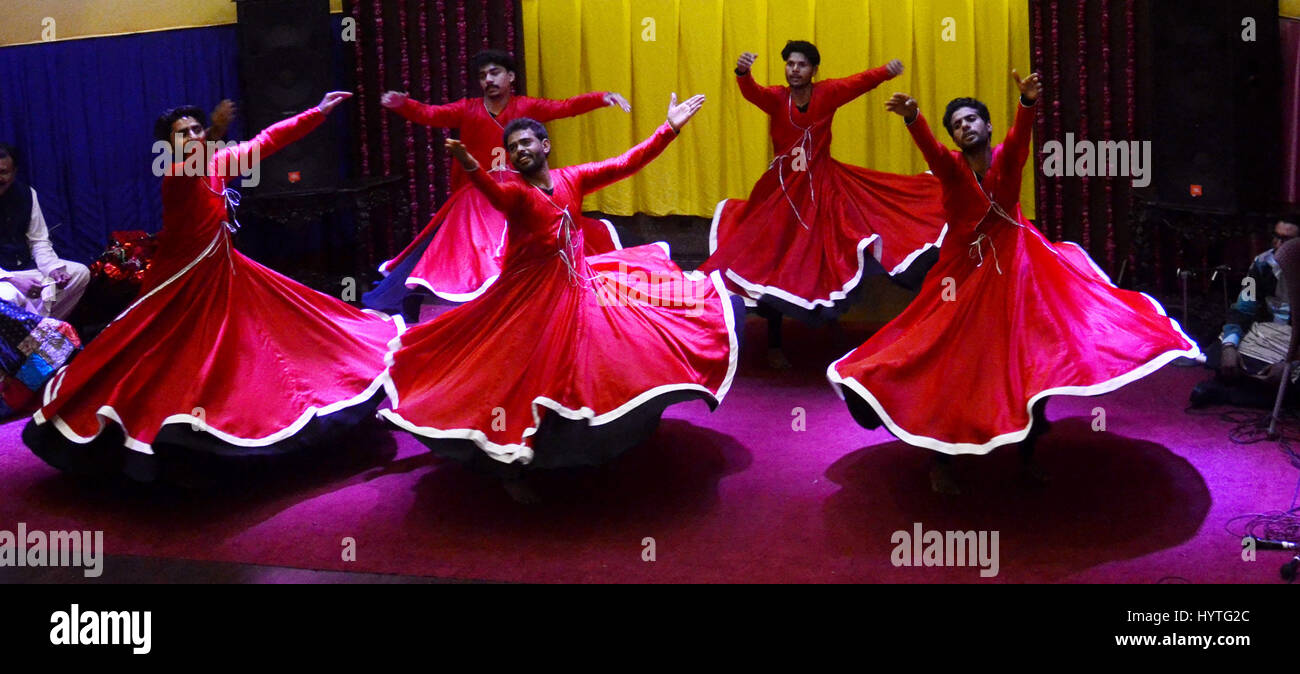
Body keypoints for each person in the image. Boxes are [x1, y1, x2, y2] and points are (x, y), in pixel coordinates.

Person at [826, 70, 1200, 494]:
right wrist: (915, 119)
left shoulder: (1006, 159)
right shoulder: (950, 168)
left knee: (1033, 364)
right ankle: (942, 459)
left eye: (972, 120)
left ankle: (1027, 453)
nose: (966, 127)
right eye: (958, 125)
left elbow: (1021, 141)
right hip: (963, 281)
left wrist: (1027, 104)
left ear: (987, 127)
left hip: (1019, 274)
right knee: (952, 365)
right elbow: (930, 151)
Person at [23, 92, 405, 483]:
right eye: (181, 132)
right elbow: (193, 163)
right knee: (164, 357)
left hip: (225, 273)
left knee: (257, 347)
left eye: (195, 129)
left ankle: (248, 419)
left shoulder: (219, 162)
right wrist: (216, 130)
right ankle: (162, 433)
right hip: (180, 283)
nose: (190, 135)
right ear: (167, 145)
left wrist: (316, 113)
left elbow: (266, 141)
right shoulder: (175, 173)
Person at [380, 94, 738, 503]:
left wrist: (669, 128)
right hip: (525, 297)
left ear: (544, 146)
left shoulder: (575, 178)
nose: (518, 151)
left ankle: (593, 439)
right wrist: (471, 165)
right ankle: (506, 461)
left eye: (526, 143)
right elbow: (494, 197)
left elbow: (628, 162)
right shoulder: (513, 191)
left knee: (613, 350)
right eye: (513, 147)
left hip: (577, 285)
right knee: (511, 377)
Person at [698, 41, 948, 369]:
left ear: (814, 70)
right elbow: (752, 92)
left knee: (836, 248)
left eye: (802, 65)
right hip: (782, 191)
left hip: (824, 187)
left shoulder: (827, 93)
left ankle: (832, 320)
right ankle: (774, 343)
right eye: (790, 64)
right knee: (770, 260)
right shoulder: (776, 98)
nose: (795, 70)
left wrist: (887, 72)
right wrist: (743, 72)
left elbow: (859, 82)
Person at [365, 49, 632, 315]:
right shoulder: (467, 109)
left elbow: (565, 107)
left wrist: (601, 98)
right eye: (482, 76)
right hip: (476, 198)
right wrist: (403, 105)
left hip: (517, 193)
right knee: (464, 247)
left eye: (495, 73)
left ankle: (531, 296)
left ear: (511, 77)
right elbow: (431, 114)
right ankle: (474, 302)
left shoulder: (526, 107)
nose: (488, 80)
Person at [1190, 218, 1300, 408]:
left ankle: (1230, 392)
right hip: (1265, 333)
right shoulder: (1261, 263)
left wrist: (1292, 362)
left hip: (1295, 341)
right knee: (1217, 353)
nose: (1279, 245)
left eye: (1287, 240)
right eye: (1276, 237)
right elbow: (1243, 307)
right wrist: (1229, 347)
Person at [0, 143, 90, 319]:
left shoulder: (26, 194)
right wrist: (11, 279)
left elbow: (38, 240)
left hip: (22, 269)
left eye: (3, 172)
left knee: (79, 273)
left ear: (14, 172)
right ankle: (25, 341)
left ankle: (41, 333)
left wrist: (53, 269)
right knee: (8, 296)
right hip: (3, 277)